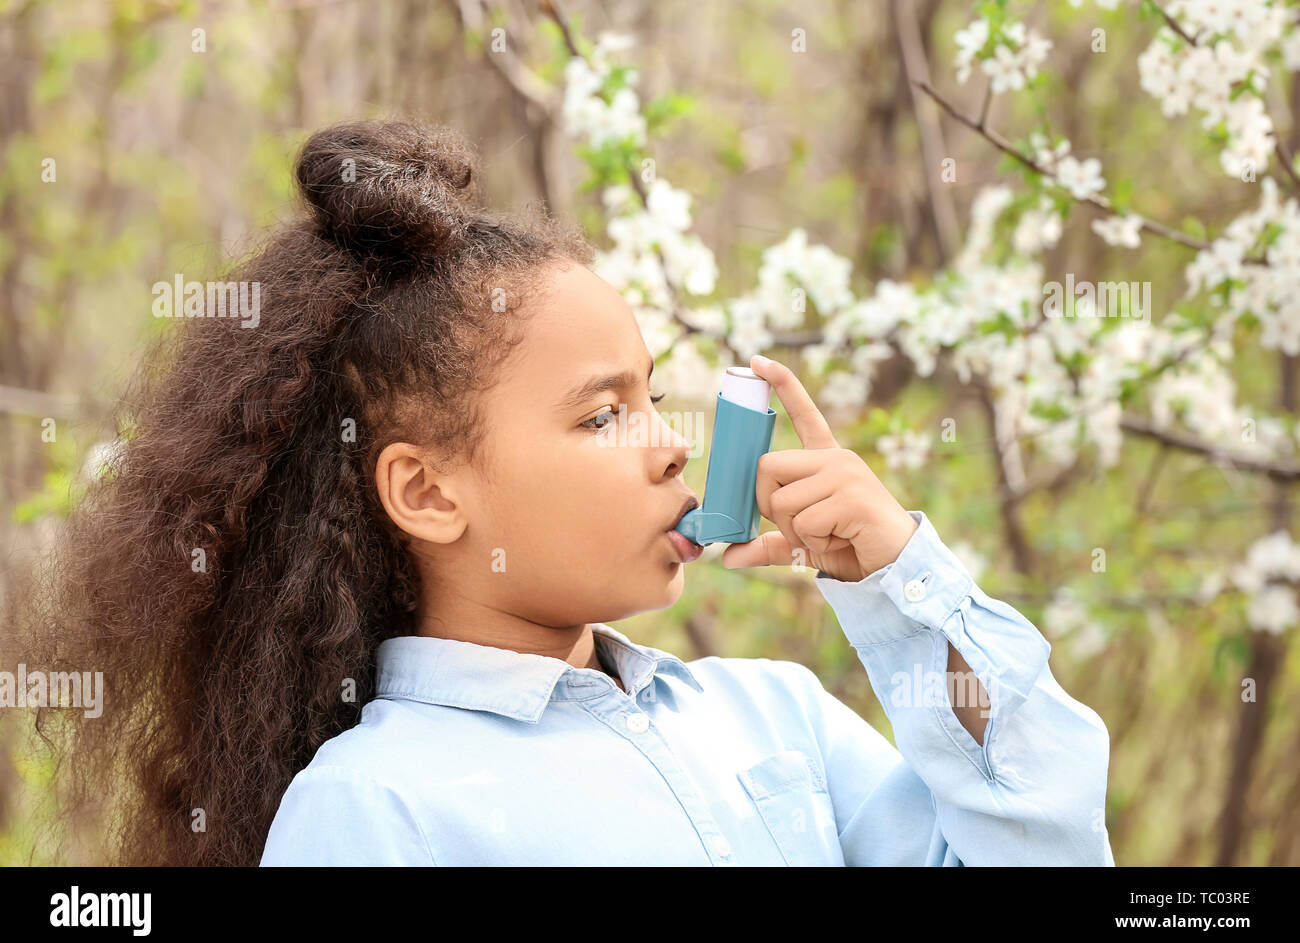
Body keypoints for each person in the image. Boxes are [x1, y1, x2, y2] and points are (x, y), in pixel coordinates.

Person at [14, 118, 1113, 867]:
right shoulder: (376, 806)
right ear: (429, 493)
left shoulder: (775, 717)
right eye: (602, 414)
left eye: (653, 397)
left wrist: (905, 589)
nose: (671, 448)